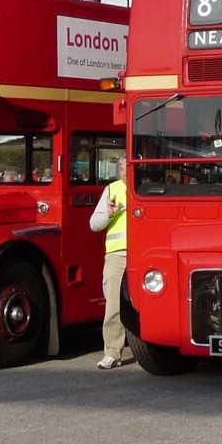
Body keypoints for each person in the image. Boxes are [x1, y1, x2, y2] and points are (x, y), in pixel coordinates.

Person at [88, 155, 127, 369]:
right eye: (121, 168)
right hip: (117, 255)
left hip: (144, 254)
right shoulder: (112, 190)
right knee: (113, 305)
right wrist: (109, 214)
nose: (125, 172)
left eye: (128, 167)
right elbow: (94, 224)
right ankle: (112, 352)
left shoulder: (147, 188)